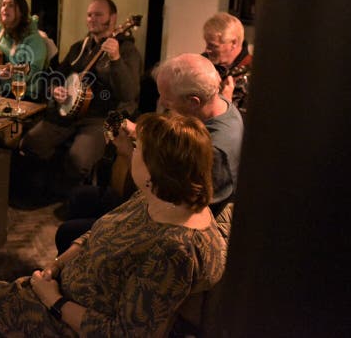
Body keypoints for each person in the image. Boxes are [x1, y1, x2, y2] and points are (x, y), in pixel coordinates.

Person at [0, 113, 227, 337]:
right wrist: (56, 265)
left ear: (157, 167)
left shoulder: (174, 250)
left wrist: (54, 301)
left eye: (138, 147)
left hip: (68, 322)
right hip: (60, 288)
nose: (132, 151)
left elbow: (126, 333)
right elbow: (97, 232)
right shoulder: (157, 196)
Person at [56, 53, 244, 252]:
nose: (162, 102)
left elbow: (177, 209)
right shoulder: (214, 102)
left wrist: (130, 154)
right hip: (159, 200)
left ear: (193, 101)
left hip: (170, 227)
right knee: (79, 197)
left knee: (67, 232)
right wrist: (138, 130)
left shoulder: (216, 151)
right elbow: (175, 138)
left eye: (168, 100)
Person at [20, 0, 141, 189]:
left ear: (113, 18)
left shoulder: (127, 50)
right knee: (31, 143)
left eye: (98, 14)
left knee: (78, 159)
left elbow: (128, 93)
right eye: (89, 14)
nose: (92, 18)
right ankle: (47, 188)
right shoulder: (80, 48)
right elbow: (57, 75)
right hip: (69, 113)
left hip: (101, 118)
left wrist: (116, 59)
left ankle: (74, 198)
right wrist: (55, 89)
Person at [203, 12, 253, 112]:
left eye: (213, 46)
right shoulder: (203, 63)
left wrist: (226, 103)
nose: (207, 50)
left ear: (233, 43)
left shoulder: (255, 74)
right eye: (207, 44)